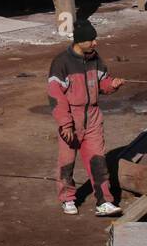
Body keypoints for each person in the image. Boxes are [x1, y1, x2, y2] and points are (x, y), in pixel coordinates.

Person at [47, 18, 126, 217]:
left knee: (98, 161)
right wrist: (65, 124)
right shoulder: (61, 63)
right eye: (91, 40)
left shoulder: (95, 58)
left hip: (92, 117)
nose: (95, 43)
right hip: (71, 120)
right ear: (79, 41)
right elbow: (56, 97)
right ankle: (67, 198)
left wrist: (112, 85)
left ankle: (104, 202)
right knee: (67, 162)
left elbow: (102, 83)